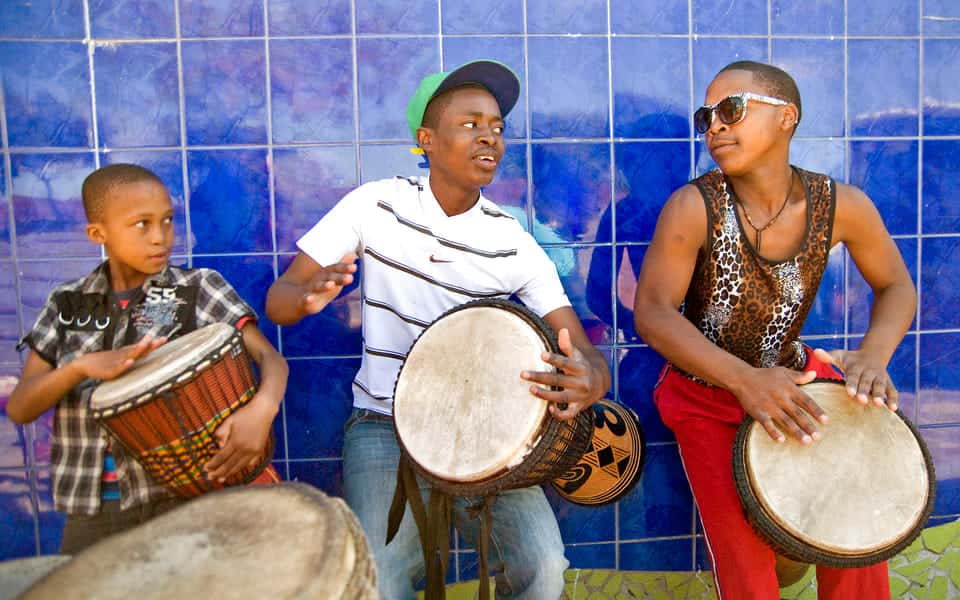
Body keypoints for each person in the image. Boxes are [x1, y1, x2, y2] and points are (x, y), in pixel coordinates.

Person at [265, 59, 610, 599]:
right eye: (470, 124)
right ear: (427, 139)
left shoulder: (512, 241)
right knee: (378, 574)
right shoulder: (375, 205)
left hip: (486, 433)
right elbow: (280, 300)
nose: (488, 138)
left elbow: (583, 349)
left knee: (543, 566)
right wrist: (310, 298)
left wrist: (591, 379)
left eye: (496, 127)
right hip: (383, 426)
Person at [633, 61, 916, 599]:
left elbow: (897, 286)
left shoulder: (841, 206)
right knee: (747, 569)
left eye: (731, 109)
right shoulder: (694, 206)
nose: (715, 126)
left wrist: (873, 357)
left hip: (795, 387)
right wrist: (743, 380)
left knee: (852, 532)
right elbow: (653, 313)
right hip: (706, 397)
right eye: (706, 116)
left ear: (787, 117)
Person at [7, 163, 288, 554]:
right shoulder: (67, 303)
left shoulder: (198, 287)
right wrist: (81, 367)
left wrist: (262, 410)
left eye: (168, 220)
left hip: (182, 498)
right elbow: (21, 407)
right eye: (142, 224)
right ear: (97, 234)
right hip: (95, 508)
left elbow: (271, 359)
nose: (160, 237)